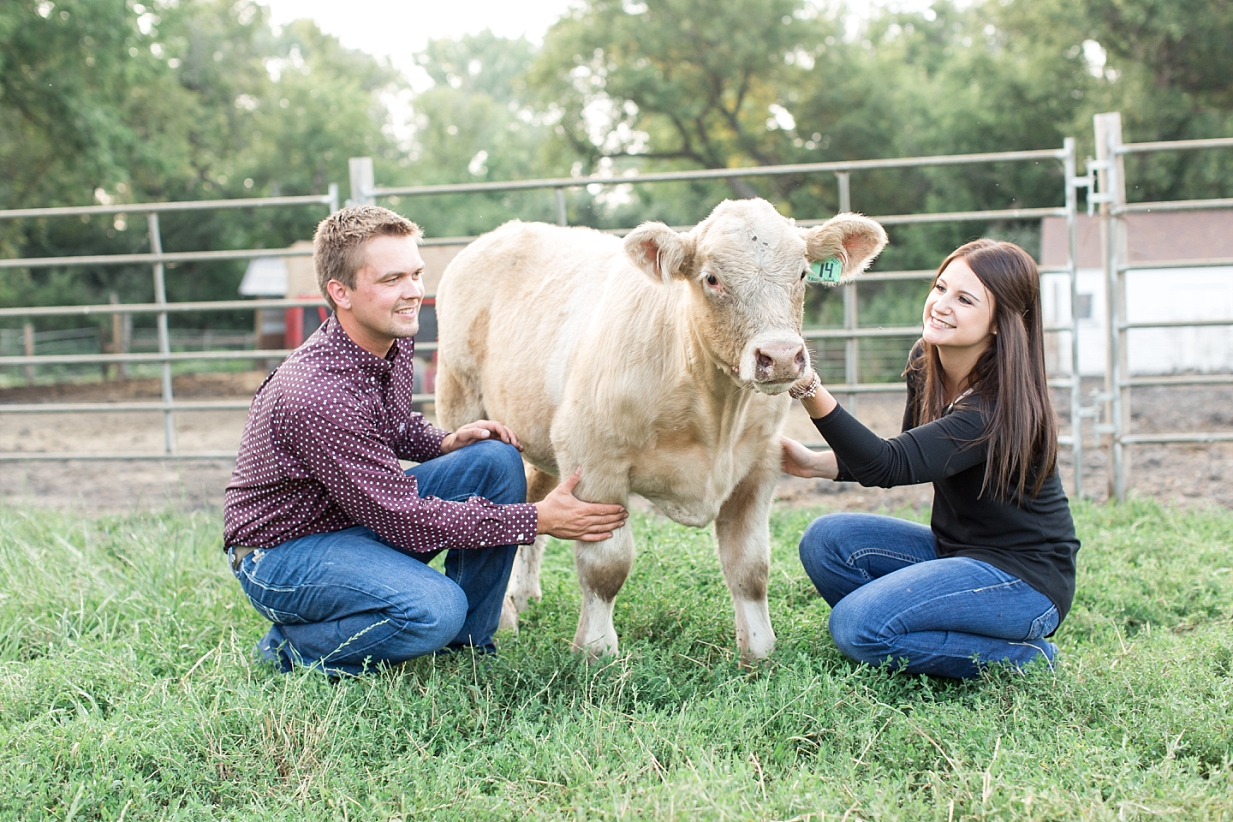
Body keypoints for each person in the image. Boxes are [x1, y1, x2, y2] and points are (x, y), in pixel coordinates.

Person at [224, 205, 628, 676]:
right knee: (434, 609)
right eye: (392, 279)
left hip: (348, 523)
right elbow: (401, 519)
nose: (413, 291)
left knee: (495, 459)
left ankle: (468, 648)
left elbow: (391, 424)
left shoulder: (384, 337)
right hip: (282, 556)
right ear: (342, 292)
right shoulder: (319, 392)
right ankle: (291, 648)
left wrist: (444, 442)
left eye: (416, 274)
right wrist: (536, 518)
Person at [780, 239, 1080, 679]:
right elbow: (906, 454)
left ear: (999, 322)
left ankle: (1027, 659)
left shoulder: (994, 407)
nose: (940, 305)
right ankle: (911, 628)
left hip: (1026, 583)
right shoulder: (927, 362)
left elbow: (886, 464)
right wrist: (812, 463)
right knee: (827, 540)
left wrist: (806, 384)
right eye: (940, 288)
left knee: (855, 627)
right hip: (954, 552)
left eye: (964, 299)